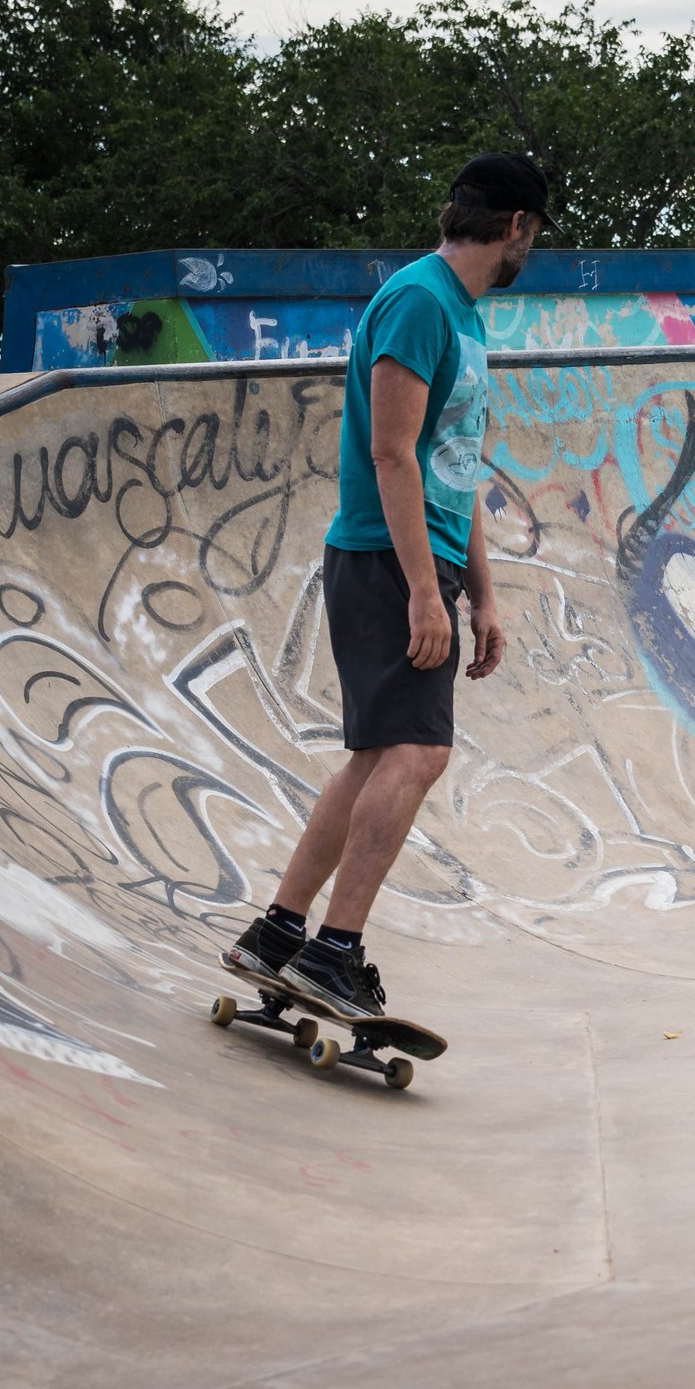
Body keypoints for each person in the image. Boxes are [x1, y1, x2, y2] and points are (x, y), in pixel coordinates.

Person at [225, 154, 558, 1017]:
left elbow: (457, 468)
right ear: (517, 225)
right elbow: (390, 450)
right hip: (386, 557)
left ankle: (280, 933)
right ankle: (335, 953)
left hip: (423, 556)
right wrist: (421, 589)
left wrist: (481, 593)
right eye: (535, 235)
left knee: (378, 755)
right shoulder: (419, 302)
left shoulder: (461, 318)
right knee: (419, 752)